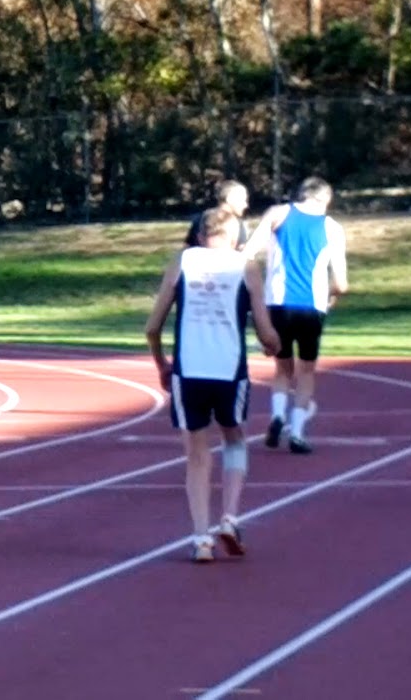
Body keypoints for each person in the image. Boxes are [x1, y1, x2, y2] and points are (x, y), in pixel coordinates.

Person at [146, 207, 281, 563]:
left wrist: (162, 365)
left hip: (188, 371)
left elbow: (152, 327)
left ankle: (201, 537)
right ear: (235, 237)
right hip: (229, 371)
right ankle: (230, 517)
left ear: (199, 234)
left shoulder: (182, 262)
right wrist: (273, 346)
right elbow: (266, 332)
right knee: (235, 439)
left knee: (196, 455)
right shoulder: (246, 267)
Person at [242, 176, 349, 454]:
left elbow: (249, 252)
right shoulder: (332, 227)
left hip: (278, 303)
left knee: (282, 368)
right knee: (306, 372)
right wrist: (330, 299)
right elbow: (341, 283)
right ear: (325, 199)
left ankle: (278, 415)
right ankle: (298, 433)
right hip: (312, 306)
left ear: (302, 195)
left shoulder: (278, 214)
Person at [185, 179, 250, 250]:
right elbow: (242, 254)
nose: (245, 205)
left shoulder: (201, 218)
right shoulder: (236, 223)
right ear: (229, 199)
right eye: (242, 200)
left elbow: (187, 248)